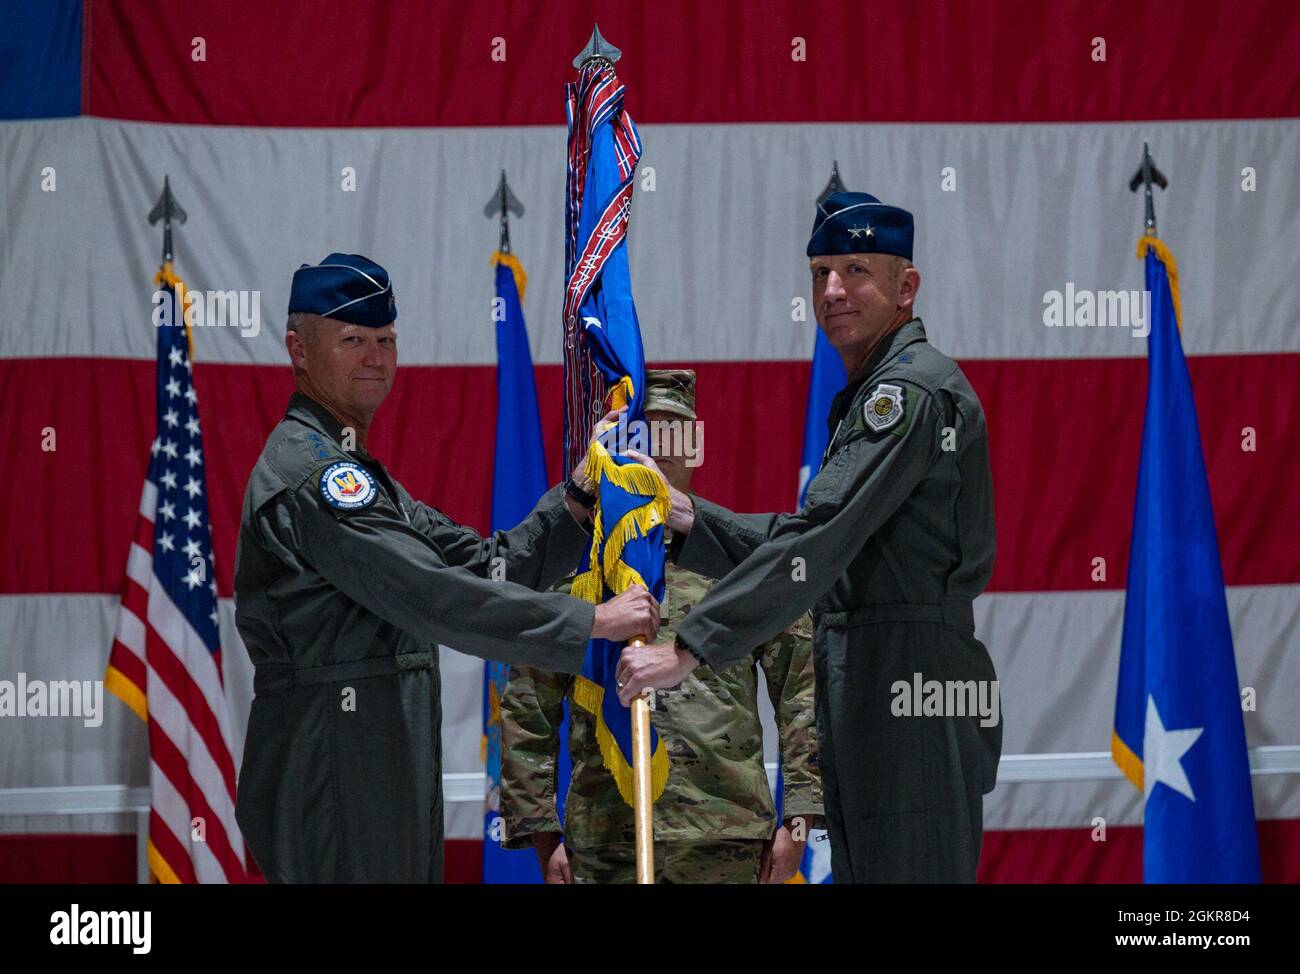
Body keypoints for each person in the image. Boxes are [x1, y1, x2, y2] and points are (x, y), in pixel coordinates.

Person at [233, 253, 659, 882]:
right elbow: (435, 596)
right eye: (352, 340)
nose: (376, 358)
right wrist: (589, 621)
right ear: (299, 348)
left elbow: (487, 564)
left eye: (386, 340)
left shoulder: (355, 470)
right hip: (332, 762)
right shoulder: (316, 478)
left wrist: (577, 500)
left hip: (374, 759)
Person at [615, 194, 1003, 883]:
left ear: (905, 287)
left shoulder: (906, 395)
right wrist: (688, 516)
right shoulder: (874, 391)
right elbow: (816, 540)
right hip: (878, 675)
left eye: (855, 269)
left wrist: (691, 645)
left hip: (905, 679)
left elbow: (819, 542)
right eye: (820, 272)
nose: (831, 291)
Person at [499, 370, 822, 883]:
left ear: (695, 447)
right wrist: (543, 831)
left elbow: (801, 691)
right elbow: (527, 705)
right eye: (644, 432)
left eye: (675, 433)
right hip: (605, 834)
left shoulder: (744, 562)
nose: (659, 449)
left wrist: (800, 821)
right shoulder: (573, 565)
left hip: (726, 831)